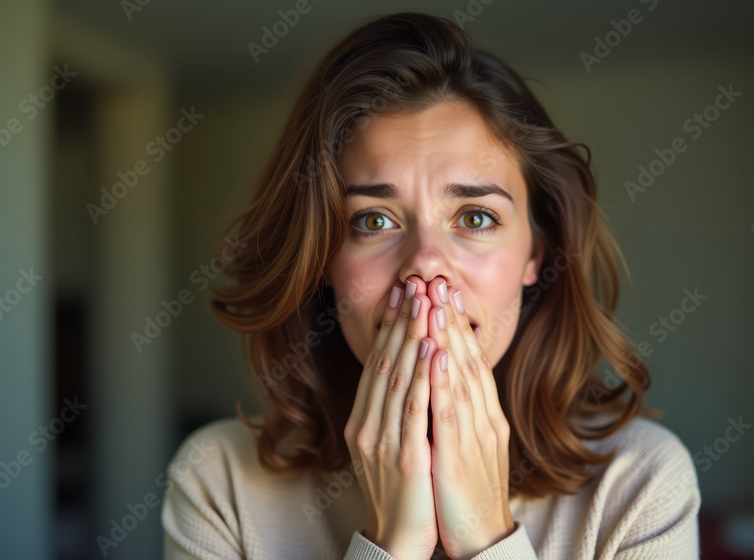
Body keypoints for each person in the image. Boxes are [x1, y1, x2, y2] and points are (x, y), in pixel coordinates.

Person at [162, 11, 700, 560]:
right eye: (374, 220)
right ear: (321, 258)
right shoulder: (220, 482)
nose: (424, 267)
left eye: (474, 217)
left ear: (535, 256)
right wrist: (391, 544)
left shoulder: (641, 484)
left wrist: (487, 537)